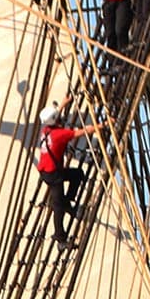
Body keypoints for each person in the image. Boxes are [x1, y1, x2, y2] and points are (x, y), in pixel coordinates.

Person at [35, 103, 96, 243]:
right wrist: (103, 125)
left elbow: (54, 115)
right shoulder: (59, 135)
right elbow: (83, 132)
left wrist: (63, 102)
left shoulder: (46, 130)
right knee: (57, 206)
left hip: (47, 170)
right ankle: (60, 238)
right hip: (54, 175)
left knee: (77, 174)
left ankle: (68, 200)